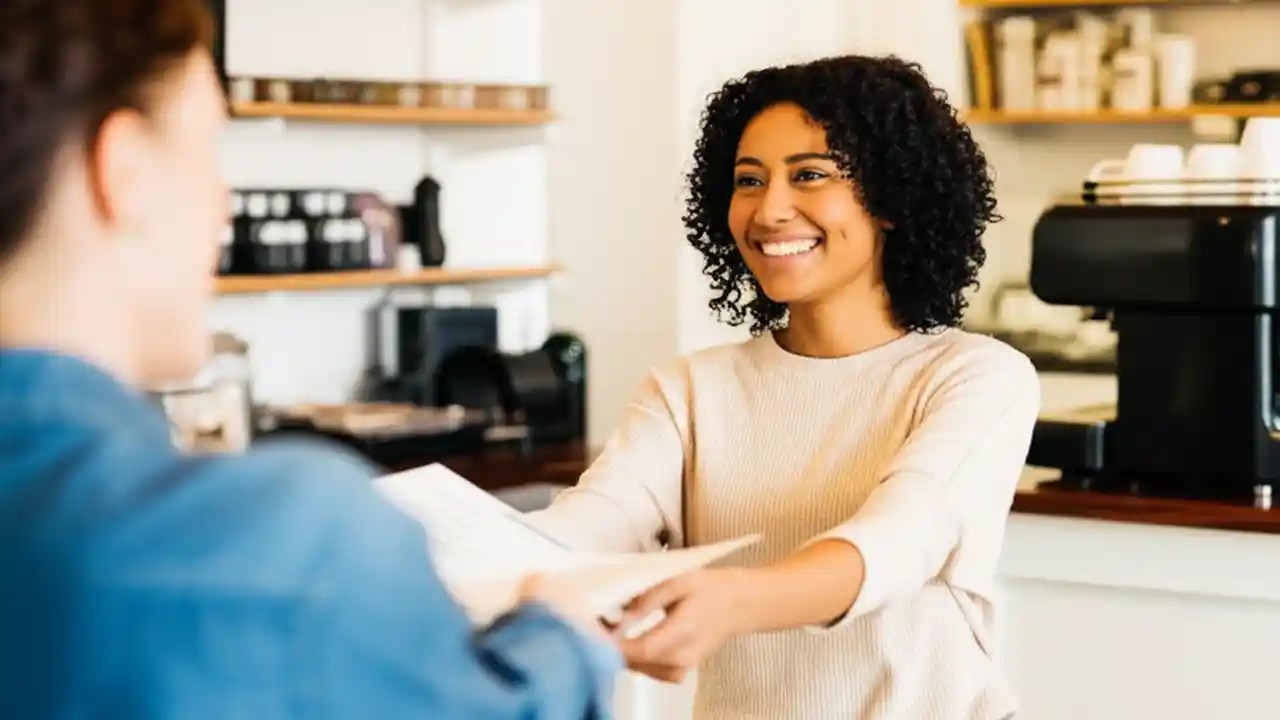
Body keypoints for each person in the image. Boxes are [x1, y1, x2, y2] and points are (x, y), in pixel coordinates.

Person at [0, 1, 617, 718]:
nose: (223, 208)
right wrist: (562, 643)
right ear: (126, 168)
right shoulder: (287, 548)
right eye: (208, 156)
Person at [528, 55, 1039, 719]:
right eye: (749, 180)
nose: (770, 210)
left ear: (890, 198)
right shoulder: (688, 391)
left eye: (809, 175)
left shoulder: (974, 376)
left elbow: (900, 537)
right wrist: (482, 564)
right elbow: (587, 527)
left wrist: (734, 601)